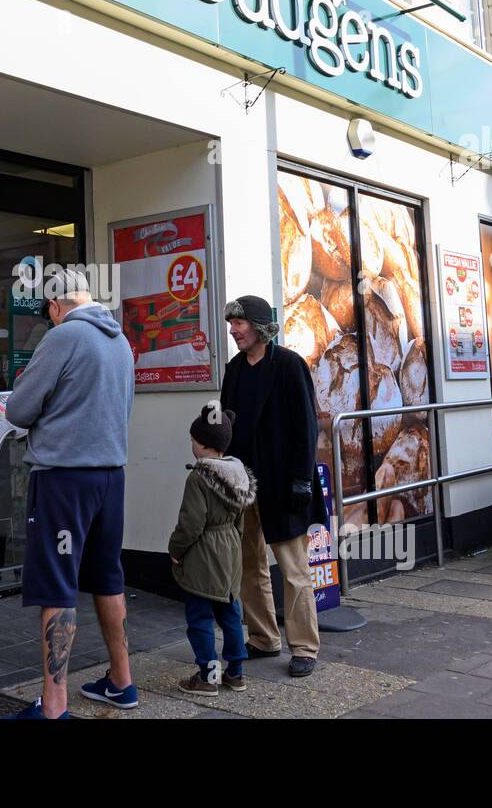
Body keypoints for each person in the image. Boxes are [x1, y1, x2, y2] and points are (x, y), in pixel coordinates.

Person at [3, 270, 136, 718]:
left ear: (57, 306)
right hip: (110, 475)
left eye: (48, 312)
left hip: (63, 478)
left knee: (57, 586)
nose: (50, 319)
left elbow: (19, 409)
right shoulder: (121, 341)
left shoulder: (63, 337)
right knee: (107, 578)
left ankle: (54, 706)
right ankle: (122, 681)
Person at [221, 294, 325, 678]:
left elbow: (305, 426)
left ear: (261, 326)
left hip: (283, 484)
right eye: (232, 324)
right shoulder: (233, 370)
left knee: (294, 569)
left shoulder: (288, 365)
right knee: (249, 565)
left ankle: (305, 647)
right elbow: (227, 425)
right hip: (243, 483)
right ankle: (264, 637)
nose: (234, 330)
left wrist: (302, 479)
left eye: (240, 323)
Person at [169, 404, 256, 696]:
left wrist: (175, 550)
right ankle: (236, 672)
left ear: (204, 444)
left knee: (200, 618)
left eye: (193, 439)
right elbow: (241, 522)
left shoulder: (198, 478)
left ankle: (208, 676)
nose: (191, 444)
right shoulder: (238, 473)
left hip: (204, 555)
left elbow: (191, 524)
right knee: (231, 613)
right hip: (231, 549)